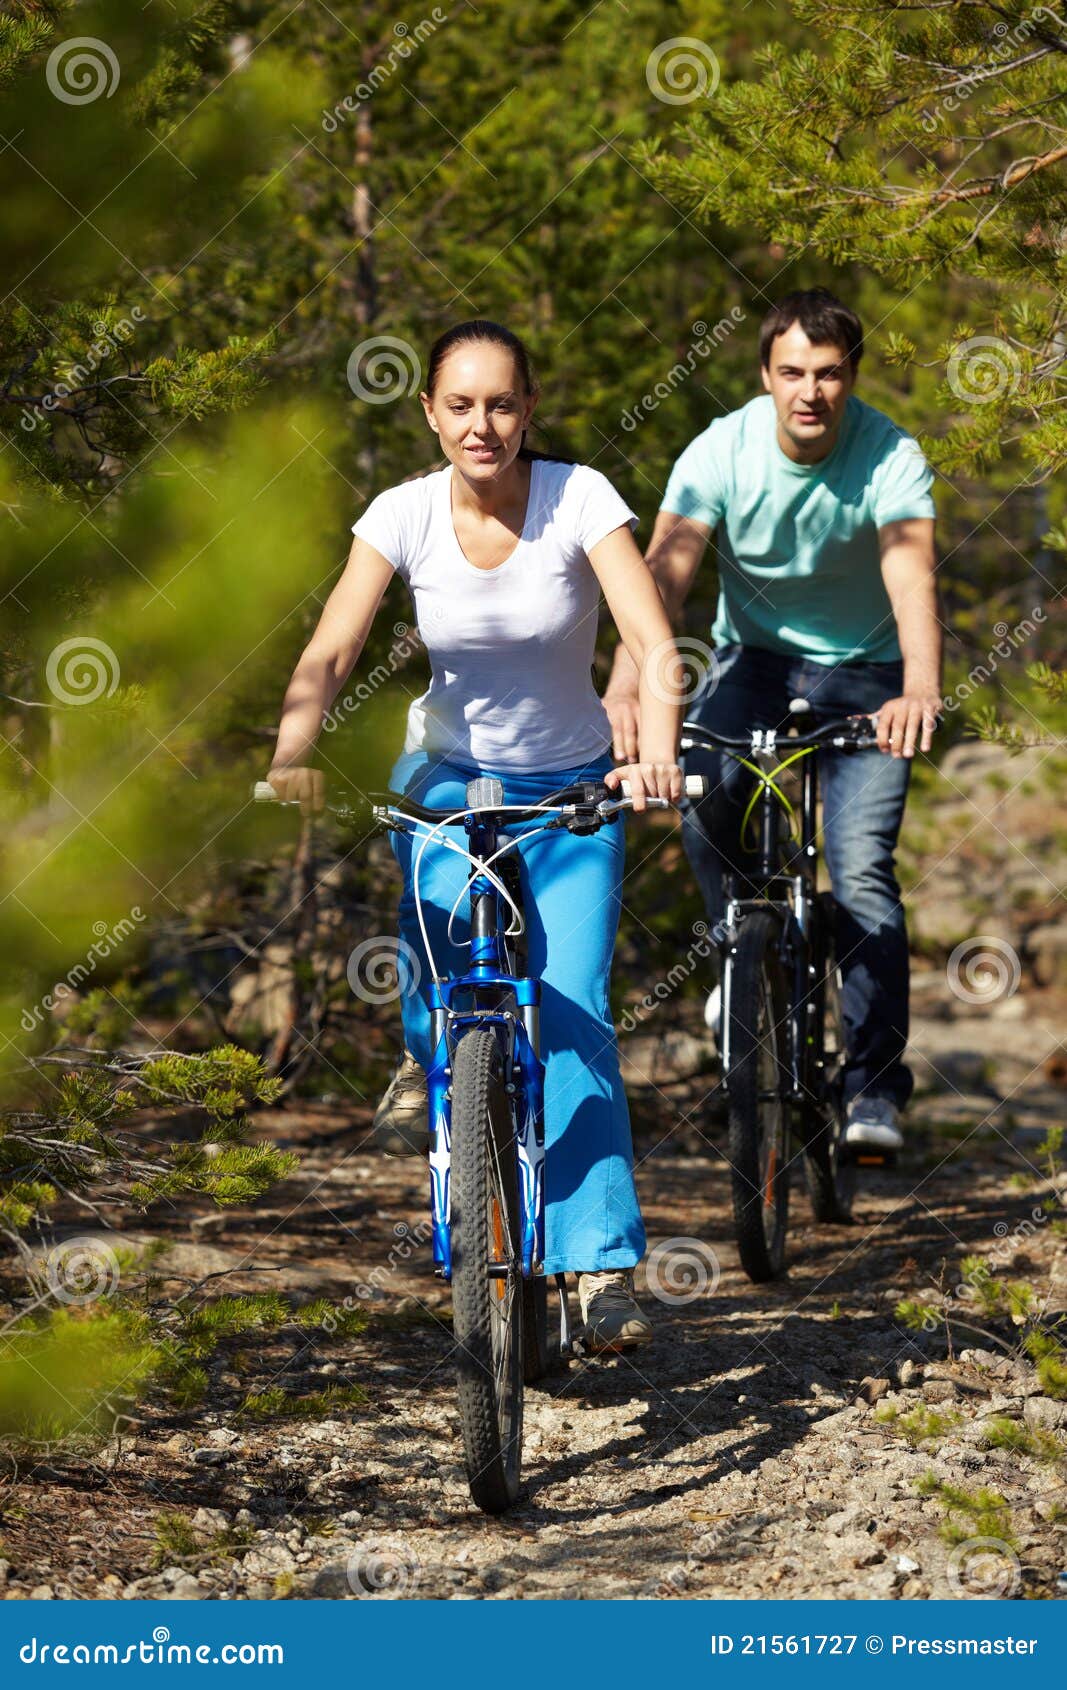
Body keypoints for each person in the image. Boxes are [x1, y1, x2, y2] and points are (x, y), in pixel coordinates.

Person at [265, 319, 686, 1351]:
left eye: (500, 403)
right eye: (460, 405)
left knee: (574, 1002)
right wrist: (292, 750)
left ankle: (595, 1267)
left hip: (569, 790)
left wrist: (657, 753)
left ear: (528, 408)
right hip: (449, 782)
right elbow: (335, 642)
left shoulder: (578, 498)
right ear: (430, 414)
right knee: (445, 991)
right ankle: (429, 1062)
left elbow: (652, 637)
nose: (481, 424)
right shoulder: (401, 513)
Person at [604, 288, 941, 1150]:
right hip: (751, 662)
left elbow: (910, 580)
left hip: (870, 674)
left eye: (828, 374)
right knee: (700, 787)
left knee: (860, 875)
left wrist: (919, 687)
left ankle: (871, 1092)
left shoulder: (887, 454)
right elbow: (662, 580)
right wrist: (622, 695)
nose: (809, 392)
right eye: (791, 371)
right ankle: (738, 953)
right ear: (764, 374)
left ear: (851, 377)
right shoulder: (721, 449)